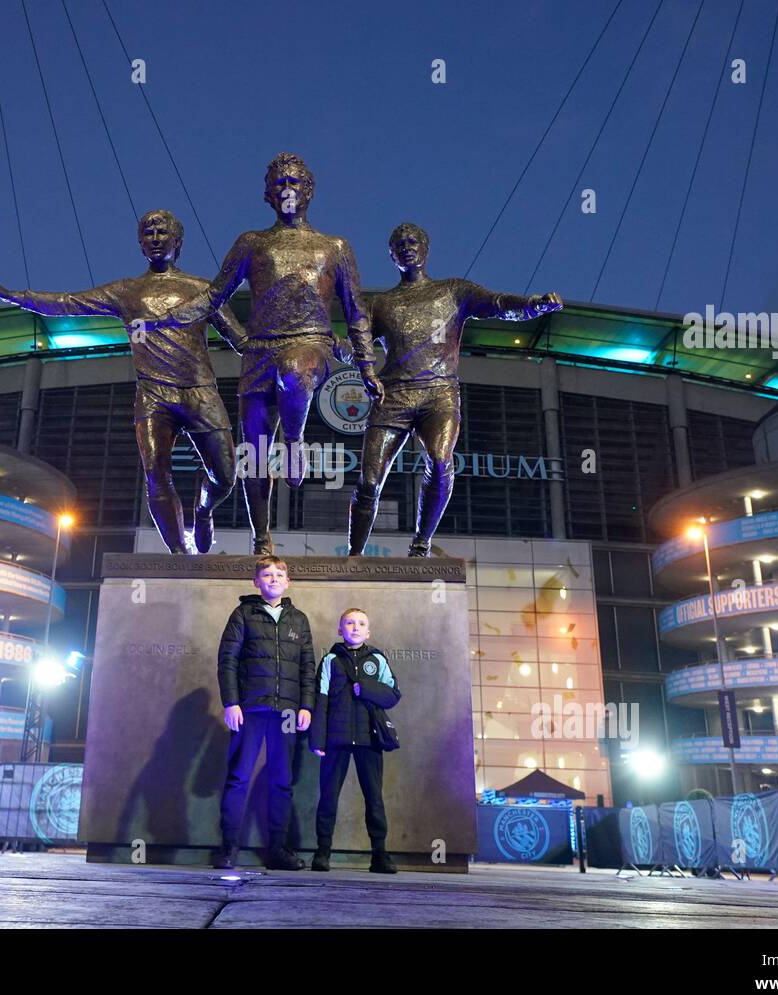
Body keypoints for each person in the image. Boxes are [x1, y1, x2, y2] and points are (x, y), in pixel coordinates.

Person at [146, 153, 381, 554]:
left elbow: (356, 312)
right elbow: (213, 297)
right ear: (268, 196)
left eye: (294, 182)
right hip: (258, 351)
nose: (286, 189)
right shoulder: (251, 243)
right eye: (278, 184)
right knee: (254, 452)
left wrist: (367, 367)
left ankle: (294, 440)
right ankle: (262, 537)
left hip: (311, 344)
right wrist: (169, 318)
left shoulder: (334, 247)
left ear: (309, 190)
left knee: (294, 370)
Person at [0, 209, 245, 553]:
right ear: (140, 244)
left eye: (162, 233)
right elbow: (68, 304)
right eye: (148, 234)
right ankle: (180, 554)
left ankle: (204, 509)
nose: (155, 238)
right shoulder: (126, 291)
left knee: (224, 477)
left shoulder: (203, 290)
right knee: (156, 475)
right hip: (153, 395)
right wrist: (14, 296)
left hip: (200, 394)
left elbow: (241, 340)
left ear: (178, 242)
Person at [350, 223, 562, 556]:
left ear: (426, 249)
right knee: (370, 480)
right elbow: (356, 344)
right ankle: (355, 555)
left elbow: (496, 303)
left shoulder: (453, 291)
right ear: (391, 255)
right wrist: (329, 348)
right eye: (399, 244)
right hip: (394, 397)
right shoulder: (381, 304)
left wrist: (531, 305)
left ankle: (421, 542)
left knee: (439, 458)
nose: (407, 247)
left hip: (439, 395)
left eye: (413, 241)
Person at [215, 555, 316, 869]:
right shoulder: (243, 614)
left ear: (288, 582)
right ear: (256, 582)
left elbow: (307, 667)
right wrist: (231, 702)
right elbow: (227, 660)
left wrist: (306, 706)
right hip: (250, 710)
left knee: (282, 781)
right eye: (267, 574)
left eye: (279, 574)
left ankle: (277, 851)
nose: (273, 579)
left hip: (286, 712)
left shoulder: (299, 619)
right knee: (238, 779)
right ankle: (228, 849)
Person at [309, 608, 401, 873]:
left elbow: (393, 694)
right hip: (335, 739)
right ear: (340, 630)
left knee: (374, 798)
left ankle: (380, 855)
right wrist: (318, 740)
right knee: (328, 798)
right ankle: (322, 852)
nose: (355, 627)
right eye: (349, 623)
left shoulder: (378, 659)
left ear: (368, 631)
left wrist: (367, 689)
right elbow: (321, 701)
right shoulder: (329, 661)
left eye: (361, 623)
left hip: (368, 739)